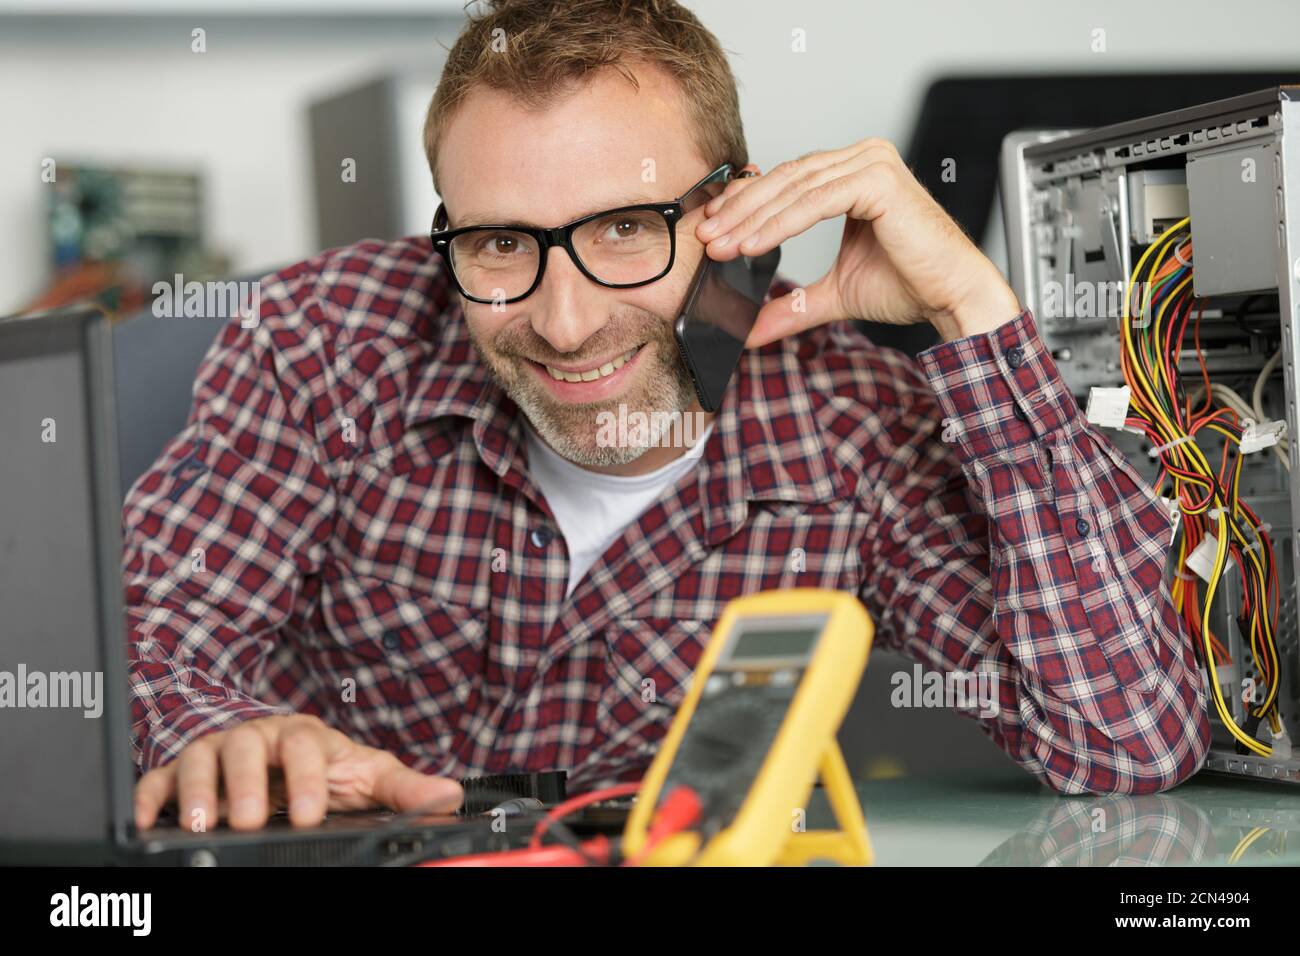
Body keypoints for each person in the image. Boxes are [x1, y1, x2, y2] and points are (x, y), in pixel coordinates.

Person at [128, 0, 1208, 832]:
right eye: (499, 243)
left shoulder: (857, 422)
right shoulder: (325, 338)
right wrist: (223, 732)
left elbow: (1121, 741)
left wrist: (974, 317)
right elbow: (146, 634)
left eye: (624, 231)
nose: (561, 321)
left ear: (733, 214)